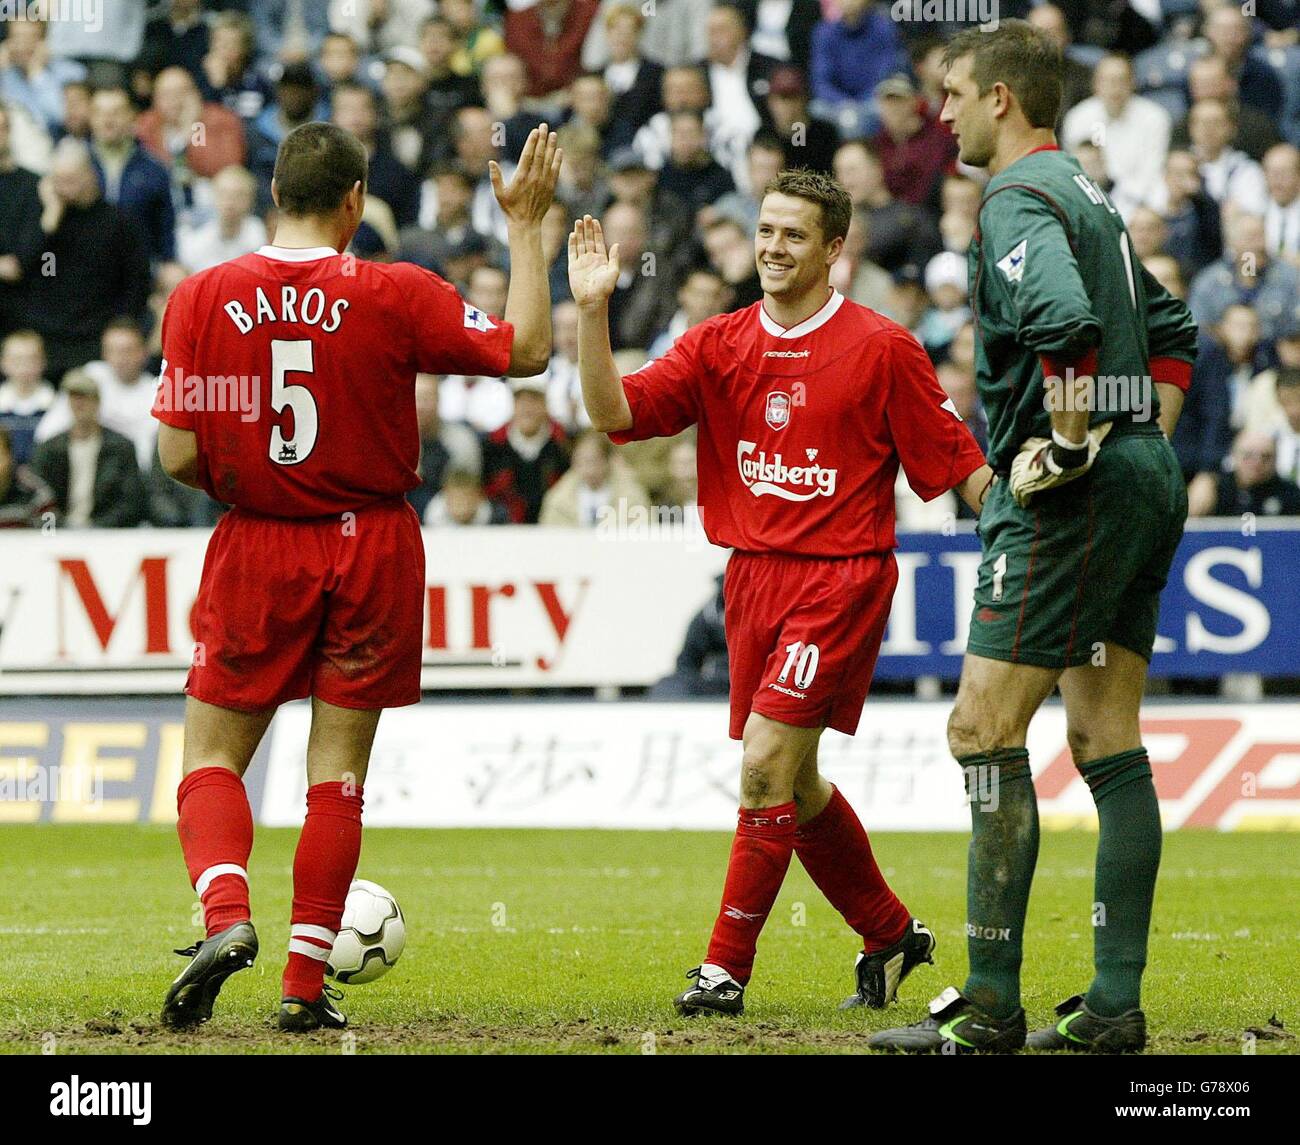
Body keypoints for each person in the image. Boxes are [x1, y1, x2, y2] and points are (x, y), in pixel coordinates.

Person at [151, 120, 560, 1034]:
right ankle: (303, 984)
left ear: (271, 196)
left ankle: (225, 918)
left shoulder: (203, 297)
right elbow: (529, 351)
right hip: (369, 543)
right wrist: (525, 223)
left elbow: (176, 448)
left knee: (213, 756)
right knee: (336, 776)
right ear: (354, 202)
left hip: (260, 541)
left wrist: (249, 476)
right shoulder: (394, 292)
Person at [568, 166, 992, 1017]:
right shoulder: (717, 341)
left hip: (840, 580)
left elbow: (959, 469)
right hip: (753, 579)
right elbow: (614, 415)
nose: (772, 247)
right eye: (765, 230)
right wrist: (590, 311)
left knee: (763, 766)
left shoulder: (882, 345)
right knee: (795, 784)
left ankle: (723, 971)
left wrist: (1024, 531)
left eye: (793, 234)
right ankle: (891, 934)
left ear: (835, 249)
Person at [872, 20, 1198, 1055]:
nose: (943, 112)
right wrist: (1137, 436)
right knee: (1105, 737)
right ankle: (1110, 1004)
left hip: (1072, 497)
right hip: (1142, 477)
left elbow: (1061, 322)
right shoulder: (1089, 195)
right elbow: (1174, 335)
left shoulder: (1016, 197)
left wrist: (1067, 440)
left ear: (1002, 99)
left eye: (954, 92)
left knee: (979, 731)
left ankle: (989, 1005)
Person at [30, 369, 147, 528]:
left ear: (97, 401)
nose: (79, 403)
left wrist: (97, 527)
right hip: (57, 534)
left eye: (85, 397)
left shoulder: (121, 448)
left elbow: (131, 502)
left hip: (108, 534)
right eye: (74, 397)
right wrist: (57, 528)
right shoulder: (49, 449)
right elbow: (38, 497)